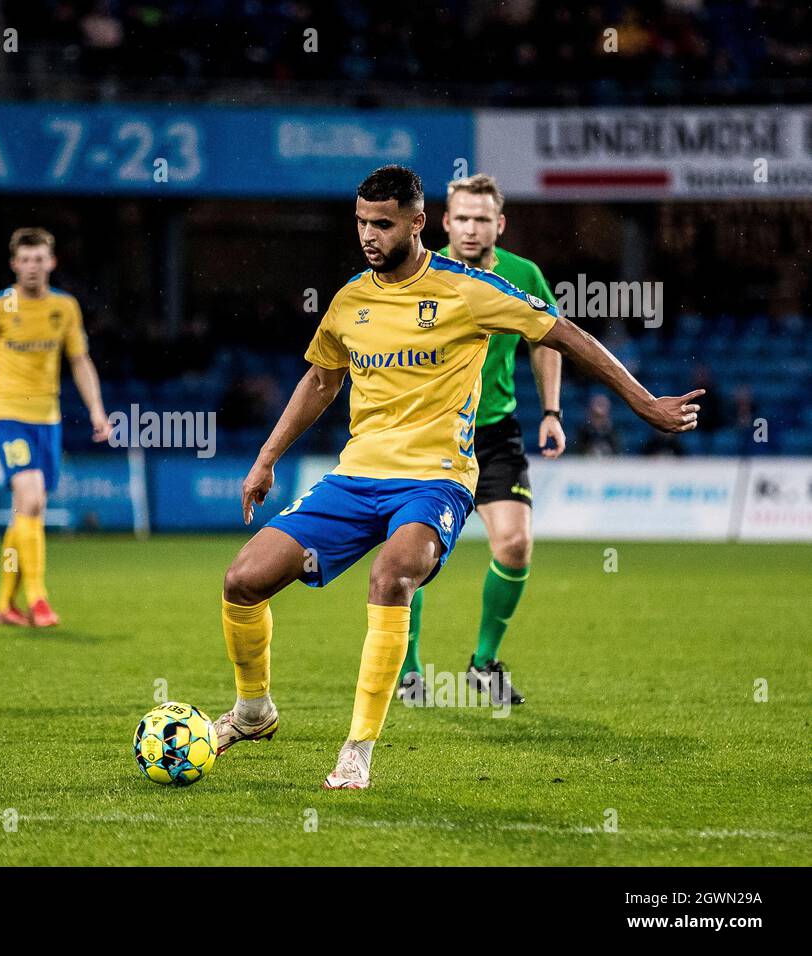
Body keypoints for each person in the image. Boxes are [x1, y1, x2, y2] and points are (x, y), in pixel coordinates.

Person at [214, 165, 703, 789]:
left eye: (382, 224)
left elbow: (565, 333)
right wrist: (266, 458)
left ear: (418, 223)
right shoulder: (350, 299)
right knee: (243, 579)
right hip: (356, 476)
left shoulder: (469, 289)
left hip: (436, 478)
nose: (368, 235)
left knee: (392, 575)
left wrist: (643, 401)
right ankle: (253, 712)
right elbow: (321, 379)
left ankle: (357, 748)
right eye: (361, 222)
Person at [398, 173, 566, 707]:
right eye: (463, 218)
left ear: (500, 223)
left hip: (494, 433)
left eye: (482, 219)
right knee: (411, 558)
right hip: (431, 437)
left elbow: (548, 340)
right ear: (446, 222)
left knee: (514, 545)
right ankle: (407, 669)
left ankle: (483, 663)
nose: (472, 228)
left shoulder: (523, 274)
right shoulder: (420, 273)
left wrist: (552, 411)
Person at [0, 228, 111, 628]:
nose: (32, 267)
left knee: (27, 511)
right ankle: (38, 599)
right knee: (29, 497)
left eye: (39, 259)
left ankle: (5, 605)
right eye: (25, 260)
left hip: (48, 418)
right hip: (7, 413)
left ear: (52, 262)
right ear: (14, 264)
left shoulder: (65, 307)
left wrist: (97, 410)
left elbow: (79, 360)